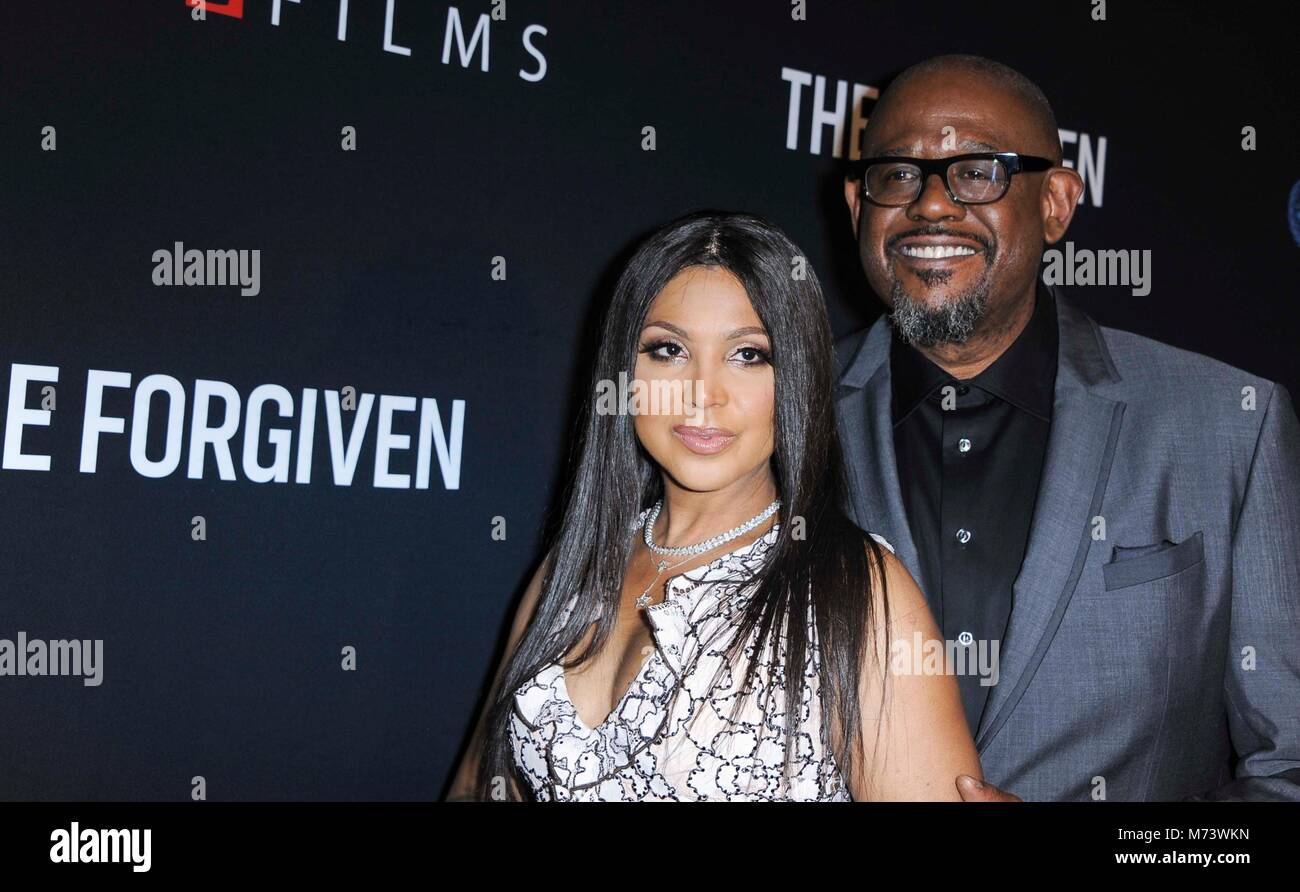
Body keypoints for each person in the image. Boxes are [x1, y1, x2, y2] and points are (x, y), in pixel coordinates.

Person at [836, 54, 1300, 801]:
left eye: (977, 171)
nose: (930, 206)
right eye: (898, 174)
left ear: (1056, 202)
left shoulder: (1229, 427)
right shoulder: (773, 423)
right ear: (858, 204)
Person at [447, 210, 981, 800]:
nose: (703, 393)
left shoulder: (856, 593)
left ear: (798, 378)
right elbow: (477, 785)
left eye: (749, 354)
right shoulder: (573, 568)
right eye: (669, 349)